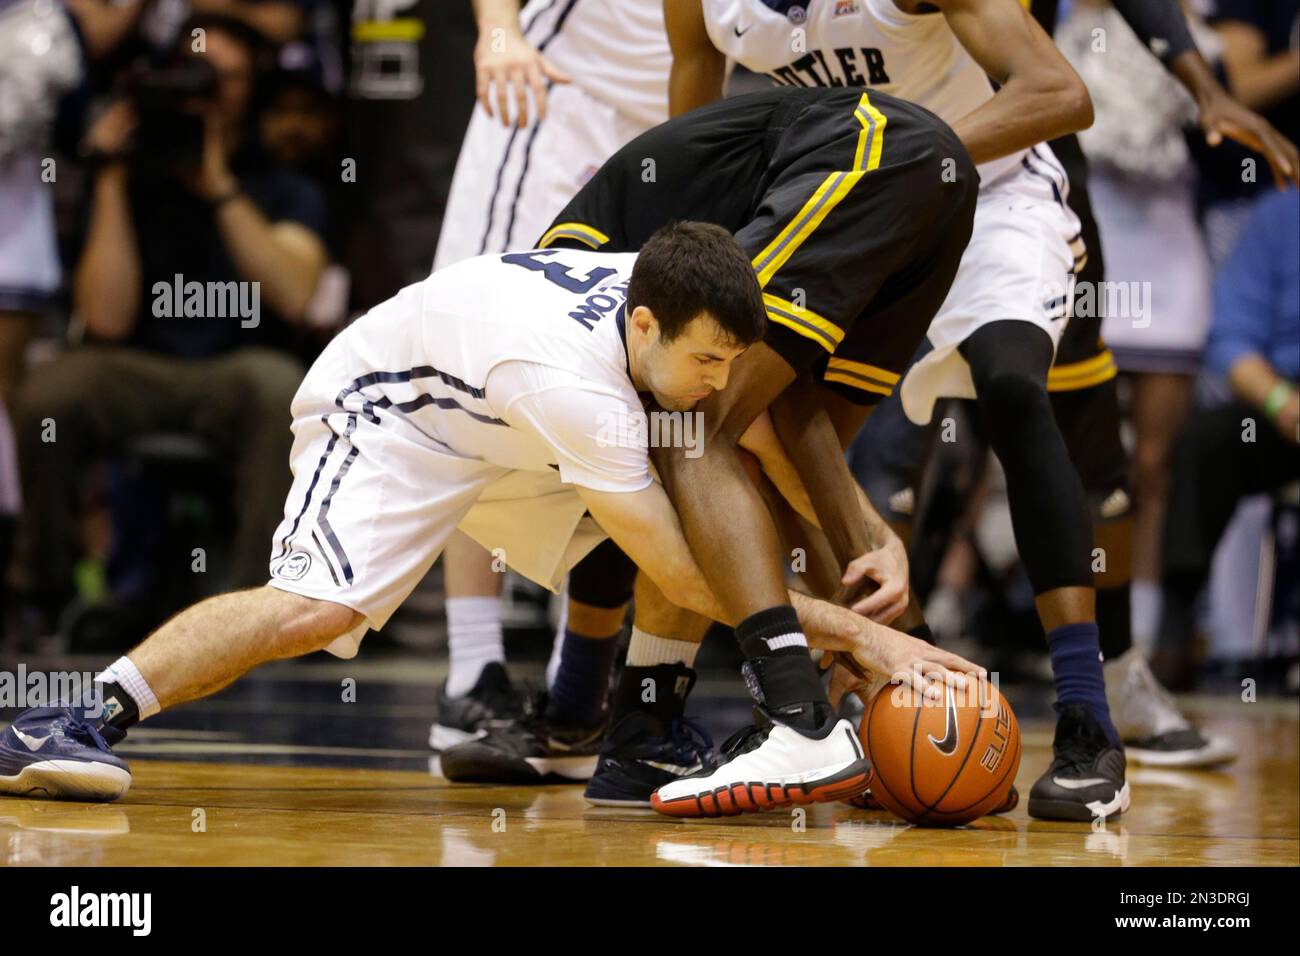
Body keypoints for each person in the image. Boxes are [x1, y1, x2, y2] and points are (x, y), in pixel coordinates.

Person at [0, 221, 977, 802]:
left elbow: (754, 438)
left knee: (691, 493)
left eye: (733, 362)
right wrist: (859, 637)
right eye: (708, 362)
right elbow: (690, 576)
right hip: (392, 410)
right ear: (644, 325)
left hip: (493, 416)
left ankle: (627, 737)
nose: (721, 384)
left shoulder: (670, 306)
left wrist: (862, 533)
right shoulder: (579, 390)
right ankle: (74, 717)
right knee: (316, 608)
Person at [440, 82, 988, 817]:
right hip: (927, 182)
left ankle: (767, 716)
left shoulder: (584, 324)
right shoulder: (605, 326)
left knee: (690, 434)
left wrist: (876, 572)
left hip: (876, 150)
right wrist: (883, 606)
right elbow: (784, 440)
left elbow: (746, 438)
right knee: (703, 452)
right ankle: (642, 729)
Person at [11, 14, 328, 633]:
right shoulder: (131, 177)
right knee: (52, 391)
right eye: (194, 75)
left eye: (226, 80)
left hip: (236, 373)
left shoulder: (284, 185)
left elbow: (294, 296)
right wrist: (110, 178)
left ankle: (253, 612)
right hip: (140, 370)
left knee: (279, 388)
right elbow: (103, 319)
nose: (207, 94)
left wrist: (217, 184)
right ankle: (40, 596)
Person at [428, 0, 673, 755]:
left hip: (678, 119)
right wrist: (498, 30)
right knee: (479, 361)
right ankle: (472, 672)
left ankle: (579, 687)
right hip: (559, 96)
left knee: (635, 387)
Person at [1154, 187, 1299, 689]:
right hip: (1284, 402)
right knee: (1206, 442)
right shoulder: (1278, 216)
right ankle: (1173, 637)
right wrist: (1282, 403)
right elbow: (1232, 337)